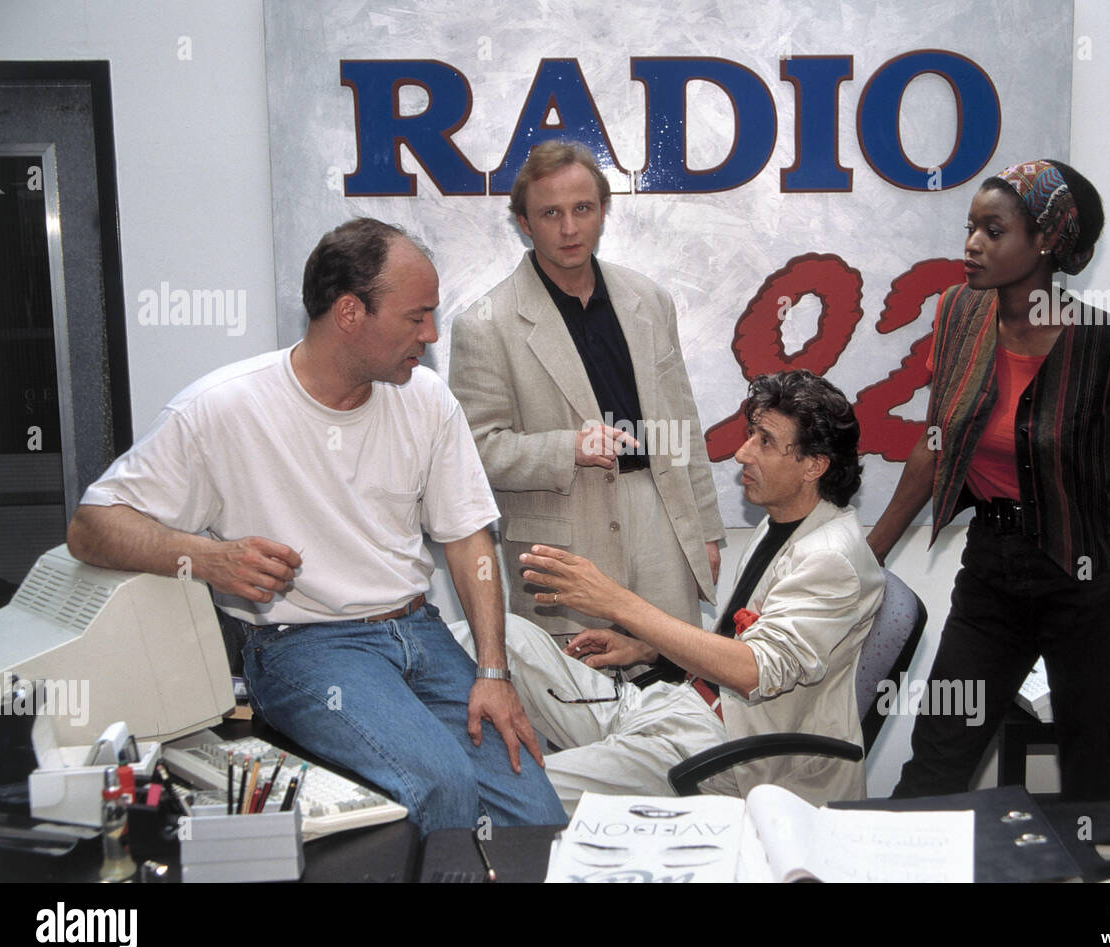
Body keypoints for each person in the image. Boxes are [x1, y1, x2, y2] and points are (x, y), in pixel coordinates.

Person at [65, 218, 567, 835]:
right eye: (416, 317)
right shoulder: (224, 408)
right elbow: (91, 527)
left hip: (421, 633)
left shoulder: (428, 399)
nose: (432, 334)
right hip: (305, 647)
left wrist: (493, 672)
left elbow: (469, 541)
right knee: (442, 785)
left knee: (537, 817)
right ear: (350, 312)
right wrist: (208, 558)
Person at [867, 160, 1110, 800]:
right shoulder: (960, 314)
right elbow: (935, 448)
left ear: (1046, 240)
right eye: (970, 228)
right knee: (937, 759)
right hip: (992, 570)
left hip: (1087, 582)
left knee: (1090, 778)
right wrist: (869, 553)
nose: (972, 244)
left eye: (994, 230)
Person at [471, 371, 884, 812]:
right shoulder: (781, 523)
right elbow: (737, 643)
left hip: (729, 751)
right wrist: (647, 650)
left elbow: (754, 671)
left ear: (814, 465)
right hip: (677, 704)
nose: (742, 453)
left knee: (515, 794)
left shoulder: (830, 559)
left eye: (764, 441)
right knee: (503, 638)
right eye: (750, 435)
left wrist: (616, 602)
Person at [448, 140, 725, 680]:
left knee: (676, 678)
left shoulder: (649, 299)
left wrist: (705, 530)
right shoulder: (484, 323)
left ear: (603, 211)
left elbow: (682, 423)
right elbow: (474, 452)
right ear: (525, 224)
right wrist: (566, 447)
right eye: (550, 213)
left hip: (661, 513)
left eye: (582, 209)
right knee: (581, 700)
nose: (569, 229)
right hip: (564, 532)